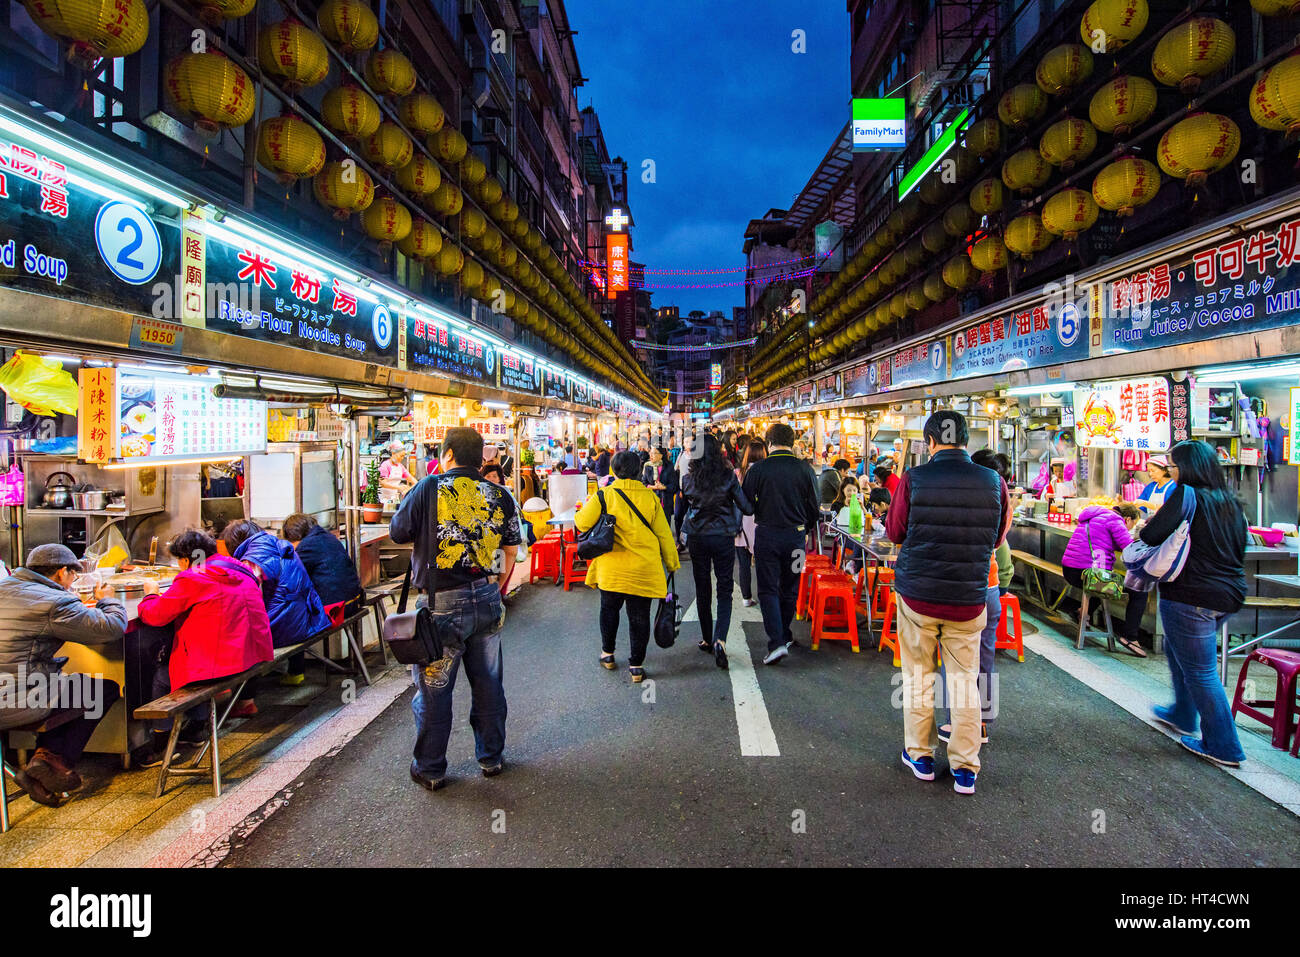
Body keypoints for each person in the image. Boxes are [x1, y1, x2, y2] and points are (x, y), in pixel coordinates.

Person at [389, 427, 521, 790]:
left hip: (441, 607)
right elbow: (510, 549)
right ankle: (490, 758)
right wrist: (495, 582)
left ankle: (431, 768)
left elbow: (397, 532)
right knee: (489, 683)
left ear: (446, 454)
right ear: (482, 460)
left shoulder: (428, 487)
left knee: (435, 689)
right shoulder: (500, 495)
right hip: (487, 599)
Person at [886, 411, 1009, 796]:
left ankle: (921, 756)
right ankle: (965, 768)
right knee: (964, 682)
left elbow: (895, 531)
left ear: (929, 443)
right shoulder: (994, 482)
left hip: (919, 597)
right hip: (969, 598)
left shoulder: (915, 479)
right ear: (967, 441)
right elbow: (997, 537)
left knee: (919, 678)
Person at [1142, 440, 1248, 767]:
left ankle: (1223, 745)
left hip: (1191, 596)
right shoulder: (1231, 502)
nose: (1170, 473)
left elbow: (1151, 536)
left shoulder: (1186, 495)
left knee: (1201, 671)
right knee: (1180, 652)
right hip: (1227, 594)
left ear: (1186, 469)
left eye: (1172, 467)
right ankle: (1182, 713)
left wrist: (1145, 524)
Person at [0, 544, 126, 807]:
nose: (72, 582)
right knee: (101, 690)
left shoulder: (5, 586)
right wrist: (108, 599)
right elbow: (110, 628)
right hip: (15, 698)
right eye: (73, 575)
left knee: (67, 686)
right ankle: (53, 763)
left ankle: (45, 760)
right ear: (61, 573)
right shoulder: (55, 601)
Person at [136, 530, 274, 765]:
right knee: (194, 660)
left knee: (164, 676)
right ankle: (196, 729)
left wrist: (150, 595)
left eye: (179, 561)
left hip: (222, 665)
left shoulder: (193, 578)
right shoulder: (236, 568)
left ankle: (160, 745)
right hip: (250, 655)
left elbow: (155, 616)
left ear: (185, 559)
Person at [575, 450, 680, 683]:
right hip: (643, 570)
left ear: (613, 470)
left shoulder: (604, 495)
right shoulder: (650, 497)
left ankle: (608, 654)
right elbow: (664, 535)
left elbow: (581, 522)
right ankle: (636, 666)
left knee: (609, 611)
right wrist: (672, 563)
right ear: (638, 470)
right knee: (639, 617)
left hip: (611, 570)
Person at [222, 520, 331, 696]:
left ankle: (244, 699)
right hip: (304, 620)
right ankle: (295, 672)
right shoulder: (276, 544)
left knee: (239, 636)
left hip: (287, 627)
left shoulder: (254, 558)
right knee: (284, 608)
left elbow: (245, 596)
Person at [742, 423, 820, 665]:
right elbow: (815, 507)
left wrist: (759, 507)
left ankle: (776, 642)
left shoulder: (758, 470)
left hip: (767, 536)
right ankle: (784, 635)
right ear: (793, 442)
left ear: (768, 442)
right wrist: (803, 526)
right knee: (791, 586)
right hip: (796, 539)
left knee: (767, 589)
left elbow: (745, 505)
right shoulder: (805, 470)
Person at [681, 433, 754, 670]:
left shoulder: (688, 479)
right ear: (718, 451)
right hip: (723, 537)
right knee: (724, 588)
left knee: (703, 587)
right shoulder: (728, 477)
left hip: (697, 538)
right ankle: (720, 639)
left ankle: (706, 638)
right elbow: (746, 507)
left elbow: (681, 512)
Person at [1060, 501, 1148, 657]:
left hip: (1070, 570)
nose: (1130, 529)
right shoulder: (1115, 521)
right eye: (1132, 525)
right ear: (1127, 519)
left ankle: (1083, 613)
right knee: (1138, 590)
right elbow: (1129, 549)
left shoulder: (1096, 516)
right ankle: (1130, 637)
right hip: (1087, 574)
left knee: (1106, 579)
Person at [282, 513, 365, 618]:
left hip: (336, 609)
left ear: (293, 536)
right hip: (354, 599)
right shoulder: (328, 537)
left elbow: (290, 577)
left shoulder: (306, 546)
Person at [735, 439, 766, 608]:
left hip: (741, 523)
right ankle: (764, 596)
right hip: (762, 522)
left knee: (744, 563)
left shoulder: (738, 473)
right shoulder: (768, 473)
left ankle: (746, 597)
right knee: (763, 563)